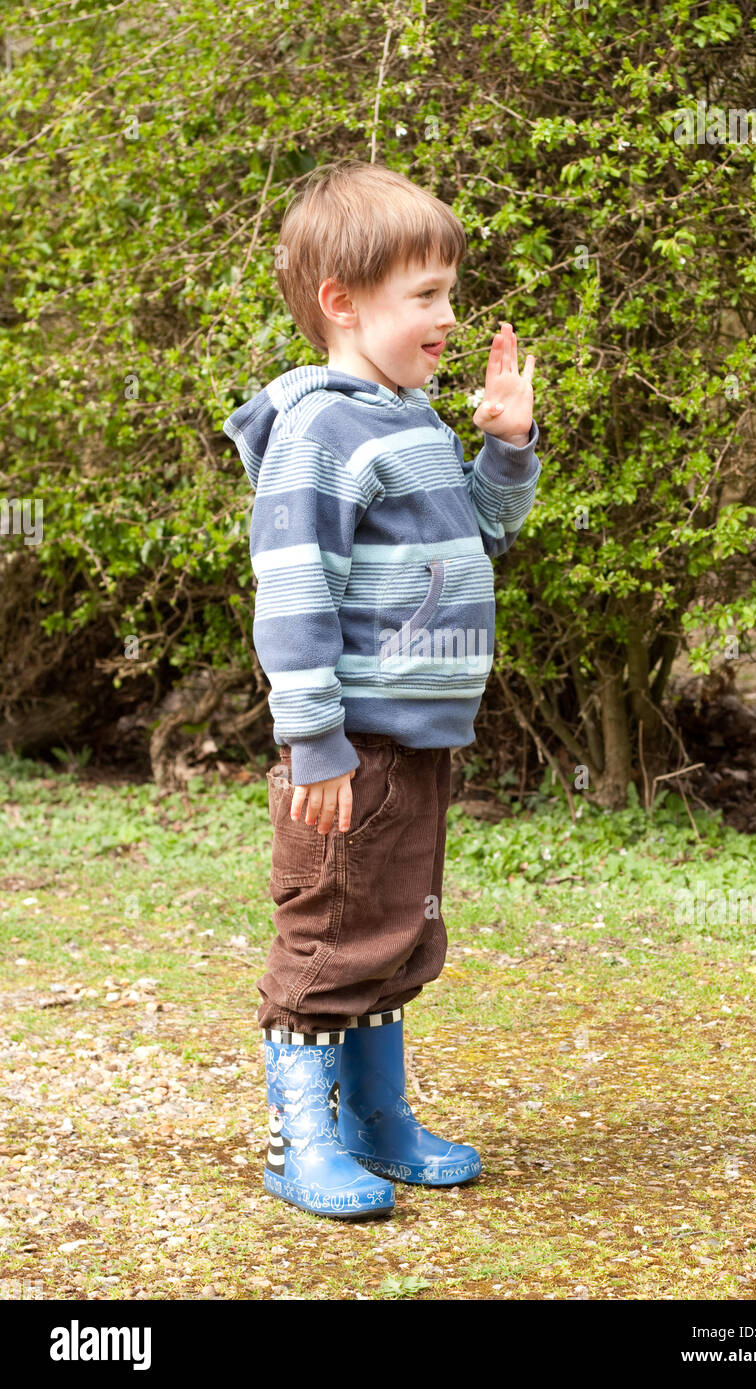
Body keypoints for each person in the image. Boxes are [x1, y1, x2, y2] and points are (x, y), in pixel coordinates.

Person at [223, 158, 540, 1220]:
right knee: (328, 937)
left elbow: (480, 536)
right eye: (426, 295)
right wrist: (312, 738)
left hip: (418, 743)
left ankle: (377, 1118)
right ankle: (297, 1138)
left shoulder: (408, 418)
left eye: (448, 292)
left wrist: (503, 447)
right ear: (342, 302)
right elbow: (294, 593)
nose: (448, 316)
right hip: (351, 747)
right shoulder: (320, 433)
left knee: (398, 930)